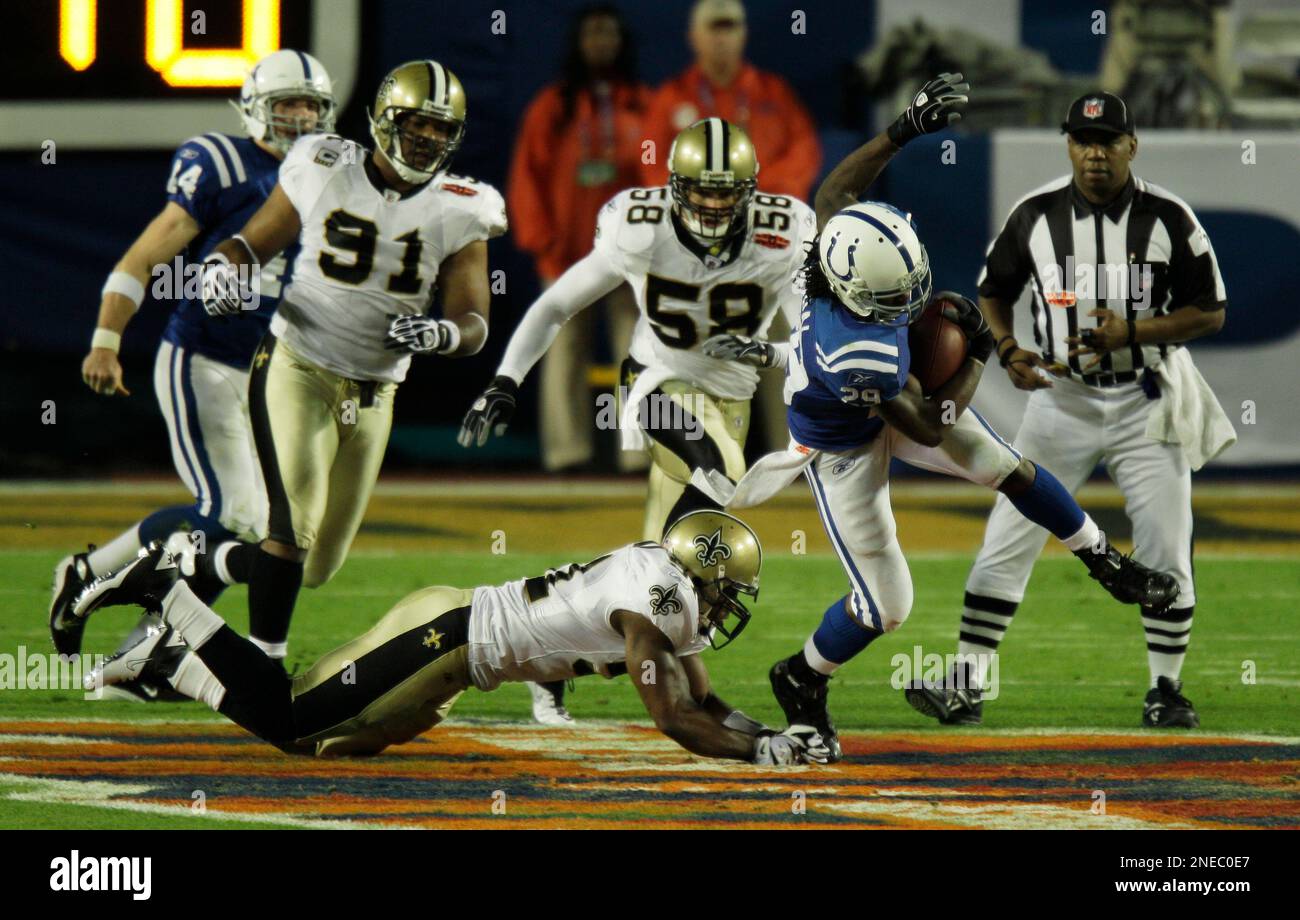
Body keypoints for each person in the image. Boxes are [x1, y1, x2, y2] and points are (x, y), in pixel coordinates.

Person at [706, 75, 1179, 762]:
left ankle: (1106, 562)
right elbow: (927, 424)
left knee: (1005, 465)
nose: (909, 302)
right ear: (854, 291)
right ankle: (801, 676)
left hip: (884, 392)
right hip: (842, 442)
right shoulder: (857, 351)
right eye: (892, 297)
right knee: (886, 607)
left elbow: (837, 191)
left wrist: (906, 126)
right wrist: (979, 353)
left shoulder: (837, 248)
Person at [906, 91, 1230, 729]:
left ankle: (1166, 689)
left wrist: (1133, 333)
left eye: (1108, 141)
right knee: (1008, 536)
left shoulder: (1169, 217)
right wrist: (1005, 347)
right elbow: (992, 289)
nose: (1095, 154)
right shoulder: (1036, 214)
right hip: (1062, 399)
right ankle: (968, 682)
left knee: (1167, 542)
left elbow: (1212, 311)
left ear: (1131, 146)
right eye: (1084, 142)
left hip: (1146, 396)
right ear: (1068, 146)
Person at [184, 60, 506, 671]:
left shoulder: (466, 206)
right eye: (416, 123)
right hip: (298, 365)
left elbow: (475, 322)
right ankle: (262, 671)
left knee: (318, 567)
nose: (427, 139)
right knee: (291, 532)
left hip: (376, 392)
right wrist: (223, 270)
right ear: (384, 119)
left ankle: (196, 560)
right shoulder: (322, 165)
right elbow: (252, 241)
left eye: (441, 129)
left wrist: (441, 332)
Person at [72, 512, 829, 766]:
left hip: (456, 646)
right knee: (295, 725)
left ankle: (171, 659)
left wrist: (773, 736)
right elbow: (673, 718)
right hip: (445, 639)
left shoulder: (663, 583)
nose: (726, 606)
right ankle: (171, 603)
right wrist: (759, 751)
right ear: (695, 578)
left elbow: (704, 700)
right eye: (725, 590)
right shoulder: (653, 601)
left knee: (341, 744)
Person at [50, 50, 336, 686]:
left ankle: (137, 643)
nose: (298, 116)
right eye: (286, 103)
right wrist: (106, 337)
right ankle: (103, 588)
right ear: (256, 107)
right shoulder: (222, 163)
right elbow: (149, 252)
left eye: (309, 104)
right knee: (235, 515)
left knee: (262, 525)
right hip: (202, 357)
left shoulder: (329, 173)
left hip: (270, 370)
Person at [460, 118, 815, 543]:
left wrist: (769, 354)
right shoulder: (640, 228)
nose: (714, 205)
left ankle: (644, 587)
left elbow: (809, 337)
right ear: (675, 186)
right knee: (722, 472)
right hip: (653, 384)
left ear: (749, 190)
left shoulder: (783, 235)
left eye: (725, 192)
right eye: (702, 190)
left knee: (676, 545)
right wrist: (506, 379)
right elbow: (557, 305)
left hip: (734, 395)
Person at [639, 0, 822, 455]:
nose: (722, 37)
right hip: (694, 246)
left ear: (743, 35)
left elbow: (805, 153)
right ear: (694, 36)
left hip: (767, 246)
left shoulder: (772, 93)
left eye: (731, 27)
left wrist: (752, 203)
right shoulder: (671, 98)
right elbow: (648, 162)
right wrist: (701, 213)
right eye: (713, 28)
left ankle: (796, 449)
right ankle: (680, 453)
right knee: (680, 345)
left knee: (788, 339)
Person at [509, 3, 648, 476]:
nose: (602, 43)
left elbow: (658, 176)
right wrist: (542, 242)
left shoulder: (643, 104)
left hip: (631, 255)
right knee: (564, 350)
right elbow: (528, 176)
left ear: (622, 41)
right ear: (578, 42)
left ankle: (638, 451)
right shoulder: (554, 105)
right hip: (568, 251)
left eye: (610, 33)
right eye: (593, 34)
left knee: (639, 350)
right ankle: (567, 454)